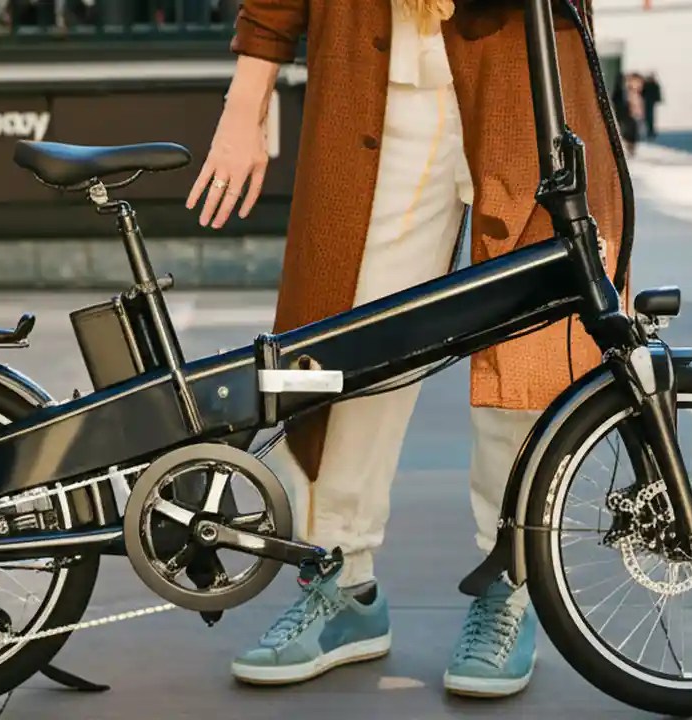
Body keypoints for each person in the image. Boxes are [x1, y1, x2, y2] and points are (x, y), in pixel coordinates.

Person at [188, 0, 627, 698]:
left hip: (522, 82)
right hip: (379, 81)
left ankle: (510, 581)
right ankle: (344, 581)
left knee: (529, 345)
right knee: (346, 349)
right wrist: (247, 99)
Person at [642, 72, 663, 140]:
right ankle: (650, 132)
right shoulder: (650, 84)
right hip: (648, 102)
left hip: (649, 102)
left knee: (650, 118)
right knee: (649, 118)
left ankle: (650, 132)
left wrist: (657, 99)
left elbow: (657, 93)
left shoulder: (651, 84)